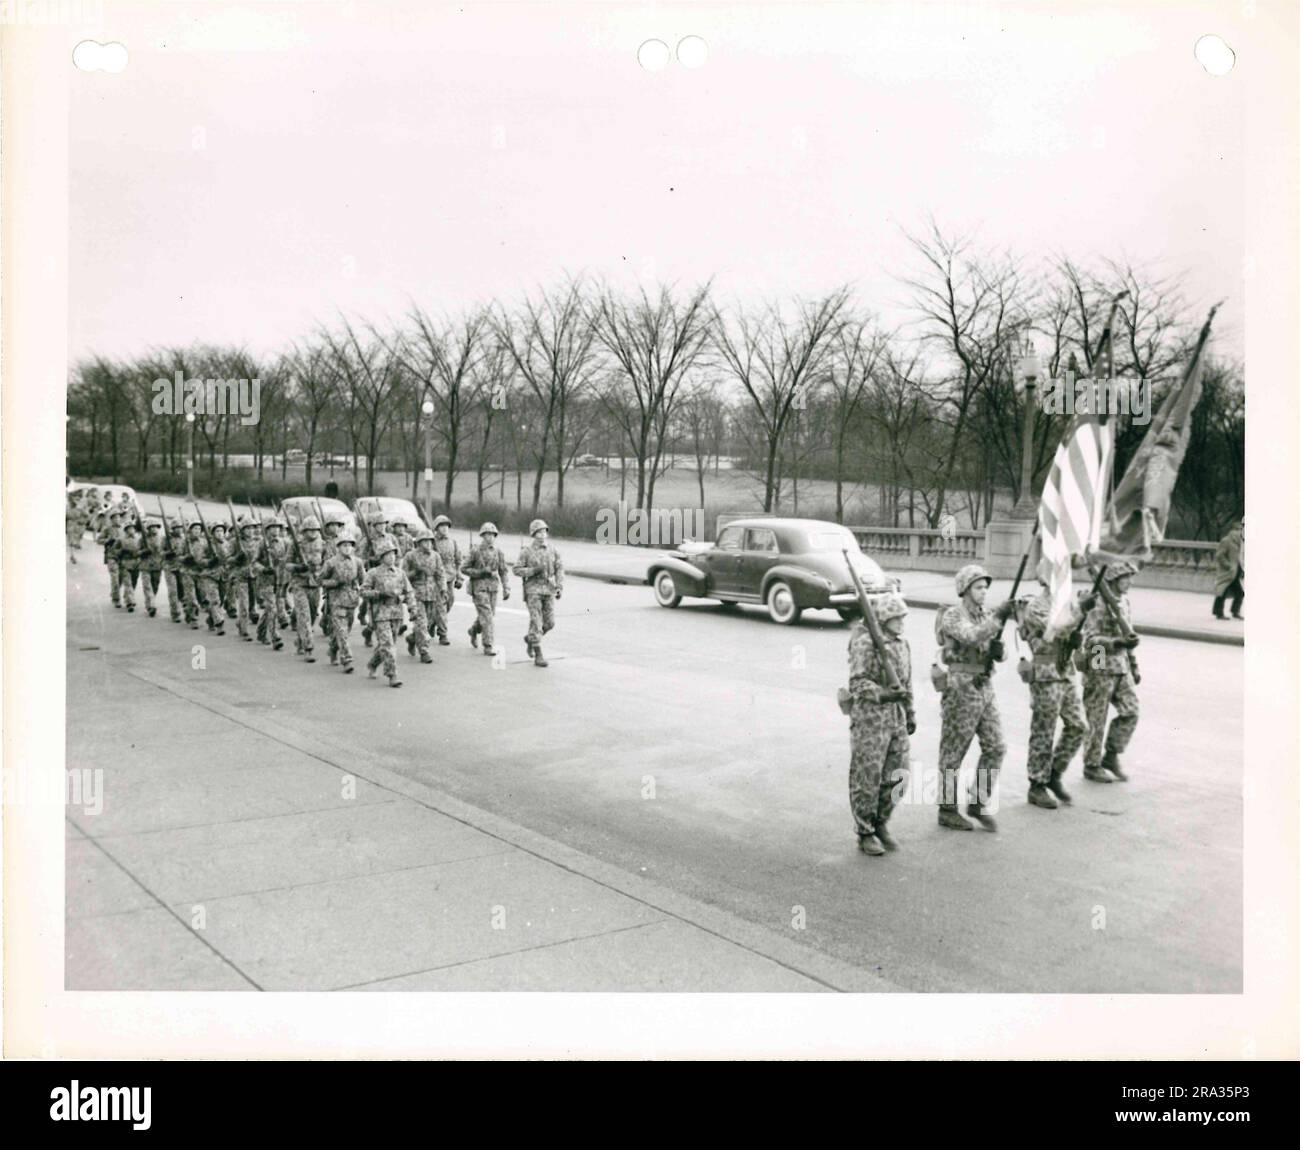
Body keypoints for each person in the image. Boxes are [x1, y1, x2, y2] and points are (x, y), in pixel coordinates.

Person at [935, 563, 1018, 831]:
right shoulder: (952, 615)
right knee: (953, 752)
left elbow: (999, 651)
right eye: (978, 587)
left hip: (984, 687)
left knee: (996, 746)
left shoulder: (985, 615)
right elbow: (970, 637)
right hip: (961, 688)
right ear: (965, 589)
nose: (984, 592)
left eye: (985, 588)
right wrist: (998, 619)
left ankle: (978, 801)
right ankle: (947, 809)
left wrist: (999, 650)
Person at [843, 592, 914, 856]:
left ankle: (881, 822)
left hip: (896, 717)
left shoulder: (902, 644)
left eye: (903, 617)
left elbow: (907, 682)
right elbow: (858, 683)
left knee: (900, 775)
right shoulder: (865, 644)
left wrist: (910, 711)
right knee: (868, 777)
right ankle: (865, 832)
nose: (901, 622)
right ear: (883, 618)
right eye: (897, 617)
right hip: (870, 719)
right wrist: (884, 694)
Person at [1017, 573, 1096, 808]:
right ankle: (1037, 784)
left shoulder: (1068, 603)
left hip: (1066, 670)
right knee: (1044, 730)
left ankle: (1054, 773)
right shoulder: (1035, 607)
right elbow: (1055, 626)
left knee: (1078, 726)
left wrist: (1079, 640)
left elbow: (1076, 632)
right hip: (1046, 673)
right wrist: (1080, 610)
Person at [1081, 562, 1141, 782]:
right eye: (1125, 578)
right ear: (1113, 580)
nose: (1130, 582)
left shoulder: (1123, 602)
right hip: (1100, 665)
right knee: (1096, 718)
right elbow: (1090, 641)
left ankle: (1112, 755)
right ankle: (1091, 764)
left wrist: (1133, 665)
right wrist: (1115, 643)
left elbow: (1130, 636)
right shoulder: (1097, 602)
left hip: (1121, 666)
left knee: (1131, 711)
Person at [360, 540, 418, 687]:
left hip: (396, 613)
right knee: (388, 645)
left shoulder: (400, 573)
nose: (391, 557)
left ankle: (372, 664)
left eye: (393, 554)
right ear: (381, 556)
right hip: (380, 613)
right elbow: (363, 591)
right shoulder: (373, 573)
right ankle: (392, 675)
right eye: (387, 554)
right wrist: (379, 594)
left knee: (386, 645)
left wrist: (413, 608)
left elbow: (409, 592)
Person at [514, 519, 564, 668]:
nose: (542, 535)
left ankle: (531, 639)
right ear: (533, 534)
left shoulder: (553, 550)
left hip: (548, 589)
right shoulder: (527, 552)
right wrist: (532, 571)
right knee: (536, 621)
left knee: (549, 623)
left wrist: (559, 586)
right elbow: (516, 569)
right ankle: (538, 653)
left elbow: (560, 568)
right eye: (539, 532)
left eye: (544, 532)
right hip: (533, 589)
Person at [464, 522, 511, 656]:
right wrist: (480, 572)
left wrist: (506, 587)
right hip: (479, 588)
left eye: (492, 535)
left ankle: (473, 630)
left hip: (493, 588)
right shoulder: (475, 550)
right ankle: (488, 645)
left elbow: (503, 571)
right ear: (482, 535)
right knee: (487, 616)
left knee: (488, 615)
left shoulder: (498, 552)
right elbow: (464, 568)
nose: (489, 537)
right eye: (487, 534)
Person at [320, 531, 364, 672]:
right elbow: (319, 580)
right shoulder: (331, 563)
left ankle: (333, 649)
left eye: (350, 545)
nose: (347, 548)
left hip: (351, 600)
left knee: (345, 630)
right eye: (344, 545)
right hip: (336, 600)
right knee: (342, 631)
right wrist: (334, 582)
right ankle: (347, 660)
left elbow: (364, 581)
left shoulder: (357, 562)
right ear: (338, 547)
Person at [402, 529, 446, 664]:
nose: (428, 544)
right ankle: (424, 651)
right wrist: (415, 572)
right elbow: (402, 575)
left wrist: (443, 588)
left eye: (430, 541)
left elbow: (441, 573)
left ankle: (412, 638)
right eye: (425, 541)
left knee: (428, 623)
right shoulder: (410, 556)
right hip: (416, 594)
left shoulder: (436, 556)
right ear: (419, 542)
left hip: (432, 594)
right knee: (421, 623)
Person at [287, 517, 325, 662]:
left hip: (315, 584)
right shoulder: (296, 544)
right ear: (304, 531)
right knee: (304, 616)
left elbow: (328, 563)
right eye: (309, 530)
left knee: (314, 613)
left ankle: (300, 640)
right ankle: (308, 648)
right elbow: (287, 564)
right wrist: (298, 567)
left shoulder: (323, 545)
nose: (313, 533)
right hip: (300, 583)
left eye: (315, 530)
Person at [252, 518, 287, 650]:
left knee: (269, 610)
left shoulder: (283, 543)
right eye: (273, 527)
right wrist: (264, 569)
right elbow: (254, 562)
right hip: (265, 581)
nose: (276, 530)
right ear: (266, 530)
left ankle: (261, 632)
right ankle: (275, 637)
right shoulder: (261, 544)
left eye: (277, 527)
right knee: (272, 608)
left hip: (279, 580)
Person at [431, 515, 463, 643]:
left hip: (450, 576)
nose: (444, 529)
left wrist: (459, 576)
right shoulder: (432, 542)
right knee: (440, 606)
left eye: (446, 526)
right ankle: (442, 634)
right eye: (441, 526)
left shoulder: (452, 542)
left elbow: (458, 560)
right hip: (437, 578)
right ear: (436, 528)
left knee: (450, 602)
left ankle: (433, 621)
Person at [1211, 518, 1244, 621]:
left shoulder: (1242, 542)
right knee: (1222, 592)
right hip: (1227, 572)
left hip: (1236, 572)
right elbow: (1219, 555)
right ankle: (1219, 613)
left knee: (1239, 593)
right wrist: (1228, 565)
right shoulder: (1226, 540)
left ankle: (1235, 611)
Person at [139, 518, 166, 617]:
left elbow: (164, 552)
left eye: (156, 527)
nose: (154, 529)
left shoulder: (162, 539)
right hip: (145, 565)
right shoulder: (143, 539)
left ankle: (150, 602)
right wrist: (143, 552)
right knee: (147, 586)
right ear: (148, 529)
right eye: (152, 527)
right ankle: (151, 606)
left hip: (157, 565)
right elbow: (137, 551)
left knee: (155, 586)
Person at [161, 519, 187, 622]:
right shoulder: (166, 538)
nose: (179, 530)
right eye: (177, 528)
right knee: (173, 591)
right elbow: (160, 552)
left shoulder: (184, 539)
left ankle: (187, 610)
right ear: (173, 529)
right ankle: (175, 613)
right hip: (169, 567)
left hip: (181, 567)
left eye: (180, 527)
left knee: (183, 591)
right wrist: (168, 553)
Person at [96, 509, 123, 607]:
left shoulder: (124, 528)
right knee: (115, 577)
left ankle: (114, 592)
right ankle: (116, 599)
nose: (117, 519)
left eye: (118, 517)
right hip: (111, 556)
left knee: (120, 578)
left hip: (122, 556)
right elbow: (98, 540)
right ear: (111, 519)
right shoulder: (107, 528)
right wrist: (108, 540)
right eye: (115, 517)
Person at [117, 520, 142, 612]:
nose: (132, 530)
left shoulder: (139, 539)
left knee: (134, 581)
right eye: (129, 528)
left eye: (133, 528)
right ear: (126, 530)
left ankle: (128, 596)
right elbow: (115, 551)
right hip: (125, 563)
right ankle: (130, 602)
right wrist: (121, 552)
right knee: (128, 583)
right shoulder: (121, 540)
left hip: (136, 563)